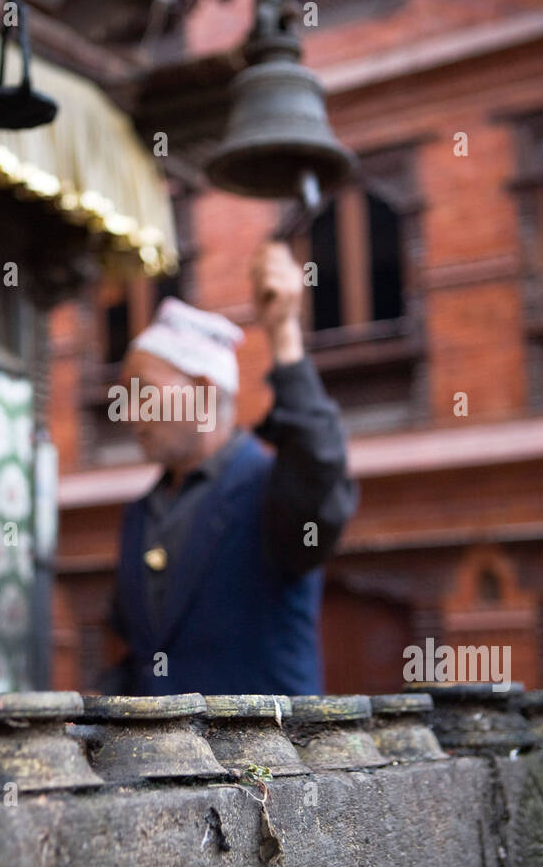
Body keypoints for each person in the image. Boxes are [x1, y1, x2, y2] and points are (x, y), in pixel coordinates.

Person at [103, 241, 358, 696]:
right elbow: (146, 657)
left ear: (202, 390)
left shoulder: (270, 491)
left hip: (265, 764)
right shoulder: (139, 514)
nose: (128, 413)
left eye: (143, 391)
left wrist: (284, 335)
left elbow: (319, 463)